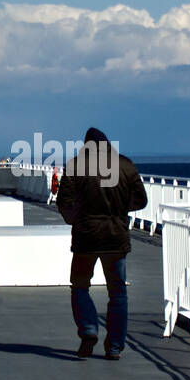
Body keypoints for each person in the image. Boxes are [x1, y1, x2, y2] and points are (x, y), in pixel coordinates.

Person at [56, 127, 147, 360]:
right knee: (117, 292)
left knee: (79, 286)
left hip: (86, 237)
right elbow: (141, 200)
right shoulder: (124, 164)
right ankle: (115, 346)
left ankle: (88, 329)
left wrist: (76, 218)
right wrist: (118, 209)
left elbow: (64, 201)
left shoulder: (76, 165)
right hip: (116, 237)